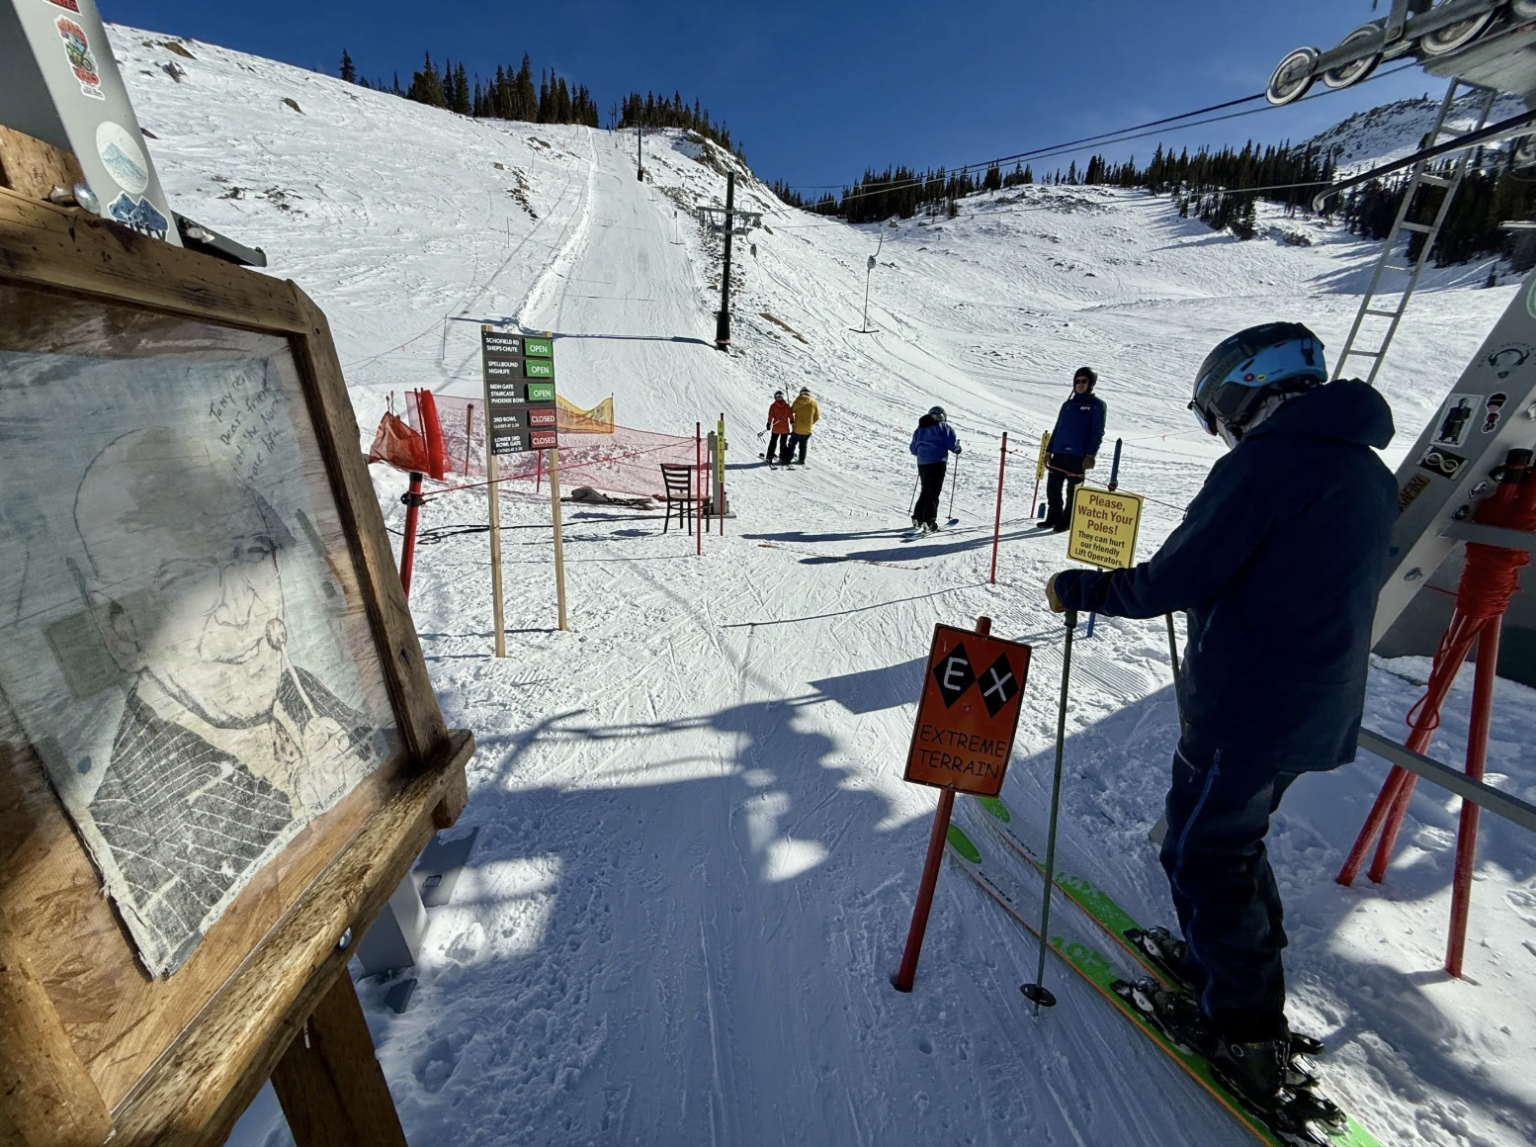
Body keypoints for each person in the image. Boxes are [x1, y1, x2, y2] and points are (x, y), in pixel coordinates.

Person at [1042, 324, 1396, 1126]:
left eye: (1215, 414)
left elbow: (1177, 575)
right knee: (1235, 845)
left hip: (1246, 707)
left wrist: (1082, 588)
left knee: (1201, 854)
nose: (1220, 431)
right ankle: (1235, 984)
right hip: (1317, 706)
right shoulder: (1368, 473)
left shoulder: (1265, 465)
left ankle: (1242, 1030)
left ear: (1243, 391)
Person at [74, 428, 384, 971]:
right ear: (120, 629)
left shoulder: (306, 693)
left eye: (250, 554)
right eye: (185, 578)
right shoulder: (132, 831)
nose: (240, 609)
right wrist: (304, 817)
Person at [1043, 366, 1107, 531]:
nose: (1080, 384)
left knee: (1073, 491)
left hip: (1078, 456)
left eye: (1084, 381)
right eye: (1077, 381)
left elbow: (1097, 432)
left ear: (1091, 383)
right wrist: (1048, 451)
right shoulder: (1067, 405)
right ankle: (1053, 517)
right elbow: (1058, 428)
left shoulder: (1097, 405)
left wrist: (1090, 455)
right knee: (1053, 489)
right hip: (1059, 452)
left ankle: (1067, 521)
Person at [908, 406, 961, 532]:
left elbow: (913, 449)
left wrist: (922, 453)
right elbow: (951, 443)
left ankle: (918, 518)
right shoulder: (943, 426)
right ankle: (929, 521)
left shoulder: (919, 429)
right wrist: (957, 449)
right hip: (937, 461)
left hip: (922, 463)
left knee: (925, 490)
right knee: (934, 492)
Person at [787, 386, 819, 465]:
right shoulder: (814, 403)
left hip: (797, 429)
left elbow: (790, 412)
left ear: (801, 393)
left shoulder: (797, 402)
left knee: (792, 444)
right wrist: (809, 424)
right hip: (808, 430)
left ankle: (787, 460)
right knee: (803, 445)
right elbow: (817, 417)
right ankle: (801, 460)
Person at [765, 390, 793, 465]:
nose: (779, 398)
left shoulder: (773, 406)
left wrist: (769, 423)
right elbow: (790, 414)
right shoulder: (786, 406)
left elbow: (771, 415)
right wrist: (792, 420)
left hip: (776, 428)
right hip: (784, 429)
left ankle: (769, 458)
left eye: (780, 397)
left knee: (773, 443)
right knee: (783, 444)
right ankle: (783, 458)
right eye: (779, 397)